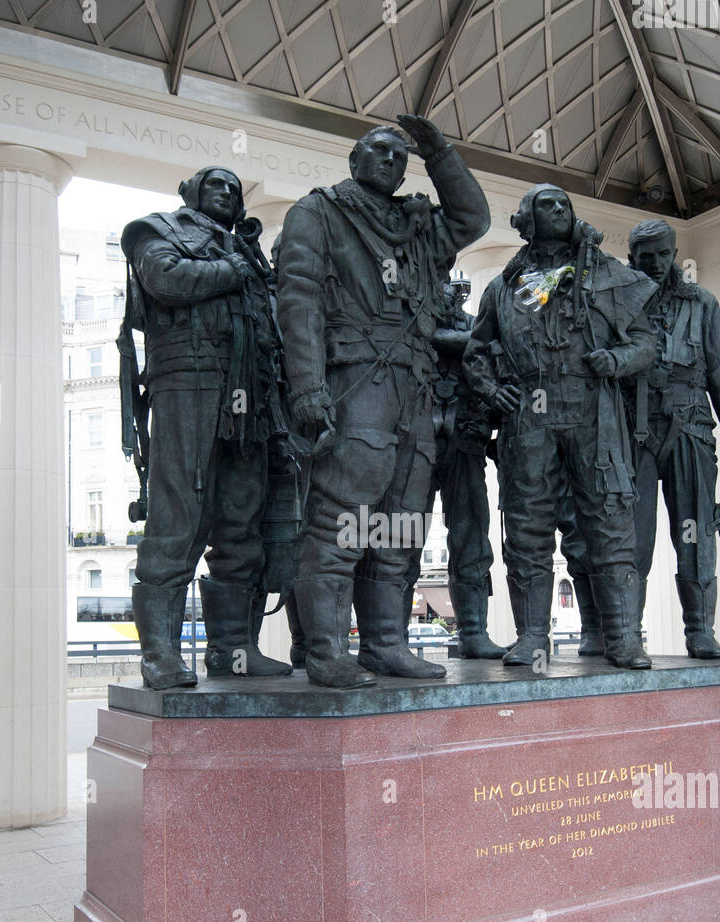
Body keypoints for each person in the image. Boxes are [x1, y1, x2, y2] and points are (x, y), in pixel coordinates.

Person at [275, 116, 491, 688]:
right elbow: (297, 300)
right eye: (379, 151)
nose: (392, 160)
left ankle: (386, 643)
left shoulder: (416, 225)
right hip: (355, 380)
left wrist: (440, 152)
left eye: (401, 155)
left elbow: (474, 218)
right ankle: (323, 649)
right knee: (342, 515)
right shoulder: (318, 212)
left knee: (401, 521)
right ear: (354, 160)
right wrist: (308, 387)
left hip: (414, 388)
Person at [463, 184, 656, 670]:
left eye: (564, 203)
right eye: (546, 204)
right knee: (527, 527)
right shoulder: (505, 287)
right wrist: (491, 391)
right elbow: (476, 351)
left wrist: (614, 359)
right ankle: (531, 636)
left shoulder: (607, 273)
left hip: (593, 409)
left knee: (609, 525)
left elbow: (645, 345)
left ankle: (623, 638)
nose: (558, 209)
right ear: (527, 218)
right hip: (529, 414)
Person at [119, 166, 292, 688]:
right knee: (178, 517)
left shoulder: (248, 253)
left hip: (251, 396)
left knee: (242, 523)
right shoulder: (158, 230)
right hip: (188, 385)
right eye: (215, 183)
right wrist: (233, 270)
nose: (227, 192)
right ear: (189, 192)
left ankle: (233, 650)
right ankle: (160, 656)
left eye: (235, 188)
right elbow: (165, 280)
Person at [626, 219, 720, 659]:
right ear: (631, 258)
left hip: (691, 430)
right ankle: (627, 633)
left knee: (694, 535)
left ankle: (699, 629)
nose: (655, 264)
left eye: (663, 254)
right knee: (632, 537)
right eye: (646, 257)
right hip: (635, 432)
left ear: (674, 253)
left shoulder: (702, 304)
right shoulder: (616, 303)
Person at [399, 276, 507, 659]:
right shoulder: (409, 324)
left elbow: (495, 359)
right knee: (402, 537)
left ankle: (474, 633)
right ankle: (393, 640)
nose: (443, 293)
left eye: (449, 288)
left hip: (464, 441)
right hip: (416, 443)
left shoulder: (475, 327)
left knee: (472, 538)